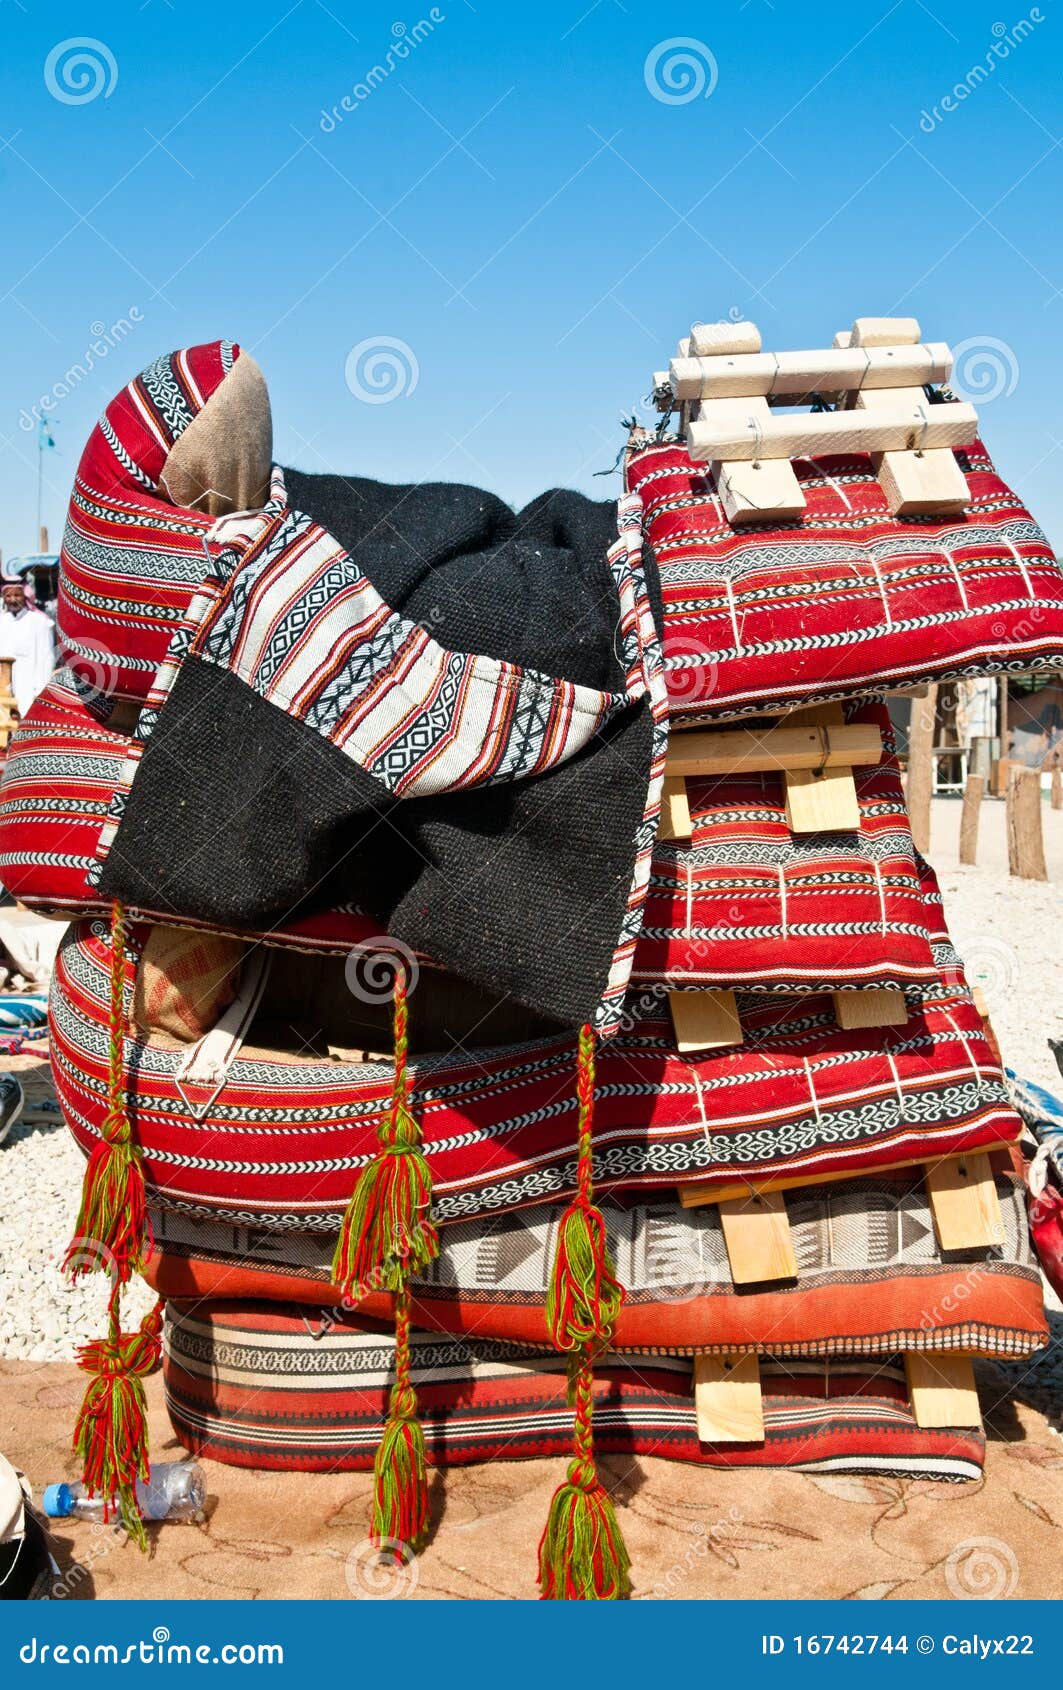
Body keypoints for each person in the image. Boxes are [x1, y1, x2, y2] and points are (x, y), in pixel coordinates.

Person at [0, 581, 55, 718]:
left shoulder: (39, 621)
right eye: (8, 596)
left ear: (25, 596)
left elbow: (47, 658)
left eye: (17, 595)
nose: (12, 600)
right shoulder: (2, 621)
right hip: (3, 683)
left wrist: (40, 689)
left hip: (29, 683)